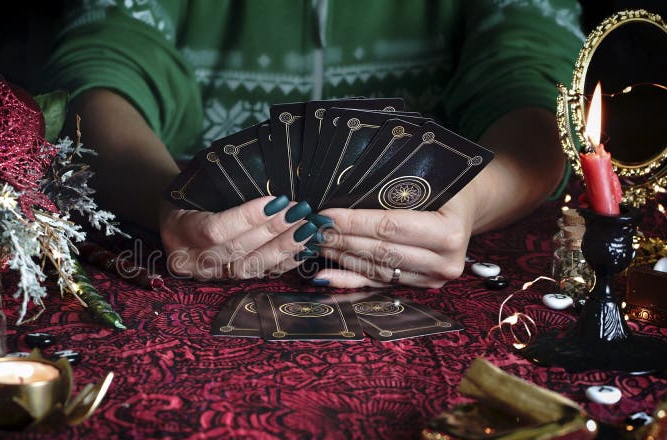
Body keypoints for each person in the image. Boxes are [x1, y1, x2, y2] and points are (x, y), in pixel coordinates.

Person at [43, 0, 584, 288]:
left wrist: (469, 199)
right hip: (174, 254)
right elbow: (99, 68)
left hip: (444, 258)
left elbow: (538, 83)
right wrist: (166, 196)